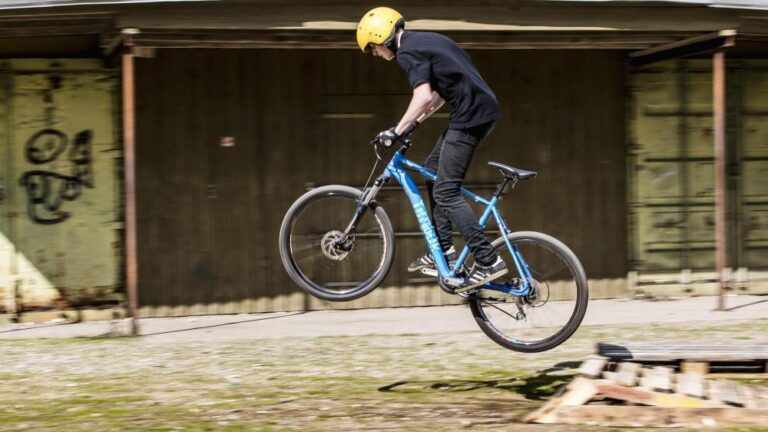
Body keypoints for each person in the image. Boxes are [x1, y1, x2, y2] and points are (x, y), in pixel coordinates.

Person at [356, 6, 507, 292]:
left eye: (372, 47)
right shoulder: (424, 41)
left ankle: (488, 260)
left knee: (446, 191)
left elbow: (423, 95)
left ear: (381, 36)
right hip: (477, 111)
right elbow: (436, 97)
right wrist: (410, 125)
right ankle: (444, 250)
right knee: (431, 171)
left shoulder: (406, 53)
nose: (374, 54)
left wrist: (396, 131)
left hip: (471, 115)